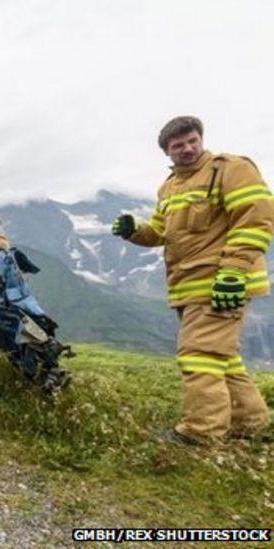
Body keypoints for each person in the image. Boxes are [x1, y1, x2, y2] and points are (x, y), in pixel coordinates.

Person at [112, 115, 272, 445]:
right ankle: (252, 424)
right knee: (220, 356)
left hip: (221, 282)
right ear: (167, 152)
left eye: (192, 141)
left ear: (200, 138)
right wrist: (134, 232)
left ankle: (201, 433)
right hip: (188, 285)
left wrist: (233, 272)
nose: (187, 149)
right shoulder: (169, 187)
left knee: (197, 354)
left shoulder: (231, 169)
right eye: (178, 145)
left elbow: (257, 219)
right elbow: (159, 232)